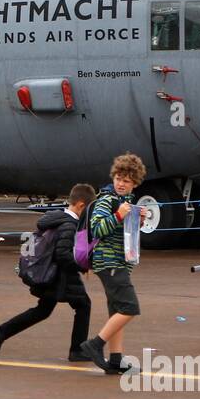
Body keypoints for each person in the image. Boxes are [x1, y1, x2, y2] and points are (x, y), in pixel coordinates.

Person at [0, 183, 96, 362]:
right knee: (83, 305)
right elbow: (63, 255)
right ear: (81, 206)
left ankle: (0, 332)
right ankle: (77, 350)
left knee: (43, 310)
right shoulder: (69, 225)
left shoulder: (55, 218)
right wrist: (83, 266)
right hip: (61, 276)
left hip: (49, 274)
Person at [78, 154, 150, 375]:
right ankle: (95, 344)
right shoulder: (107, 200)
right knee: (129, 308)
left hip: (119, 262)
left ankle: (116, 359)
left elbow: (125, 234)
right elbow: (97, 228)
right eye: (119, 178)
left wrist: (138, 220)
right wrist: (119, 215)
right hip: (108, 261)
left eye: (126, 181)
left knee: (117, 310)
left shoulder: (126, 202)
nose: (121, 183)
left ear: (134, 183)